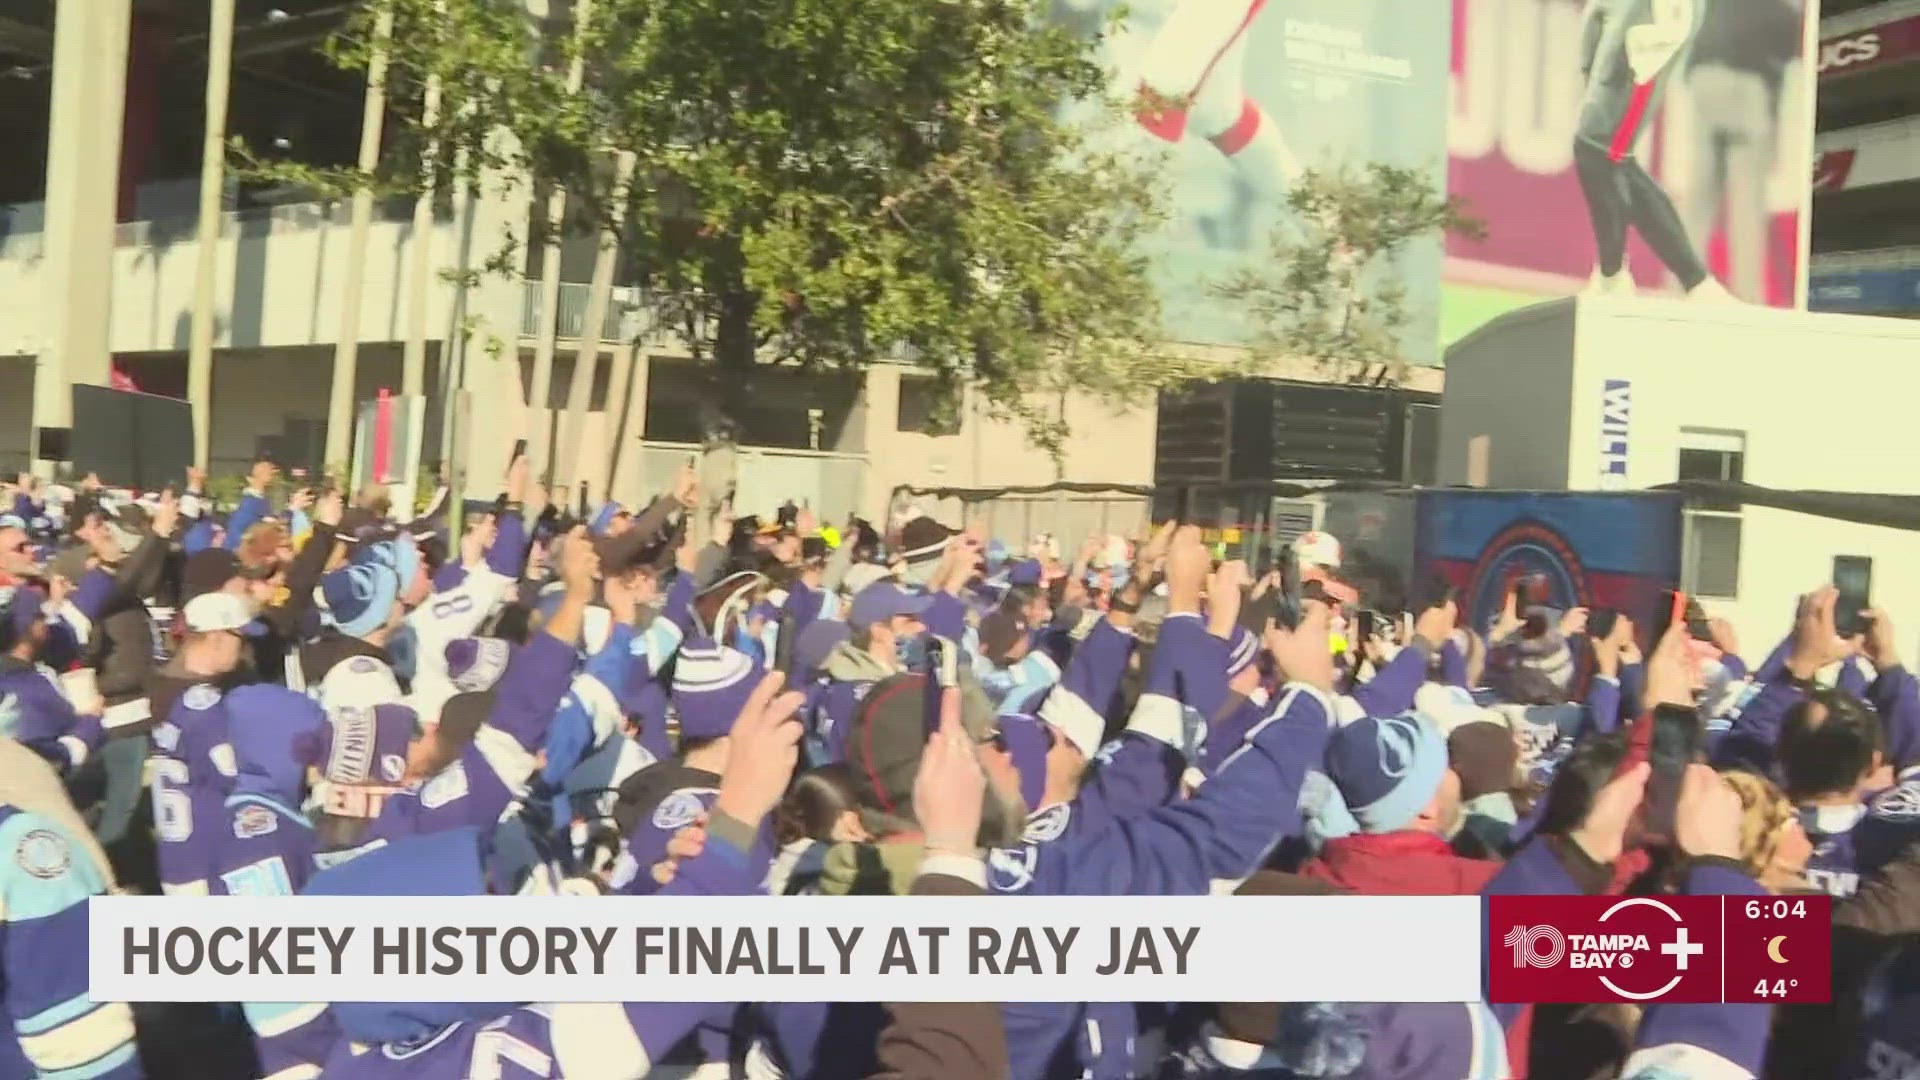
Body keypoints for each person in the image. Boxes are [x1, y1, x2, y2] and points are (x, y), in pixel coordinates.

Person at [1574, 0, 1733, 301]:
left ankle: (1612, 277)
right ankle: (1697, 283)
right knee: (1608, 154)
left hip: (1652, 11)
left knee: (1596, 146)